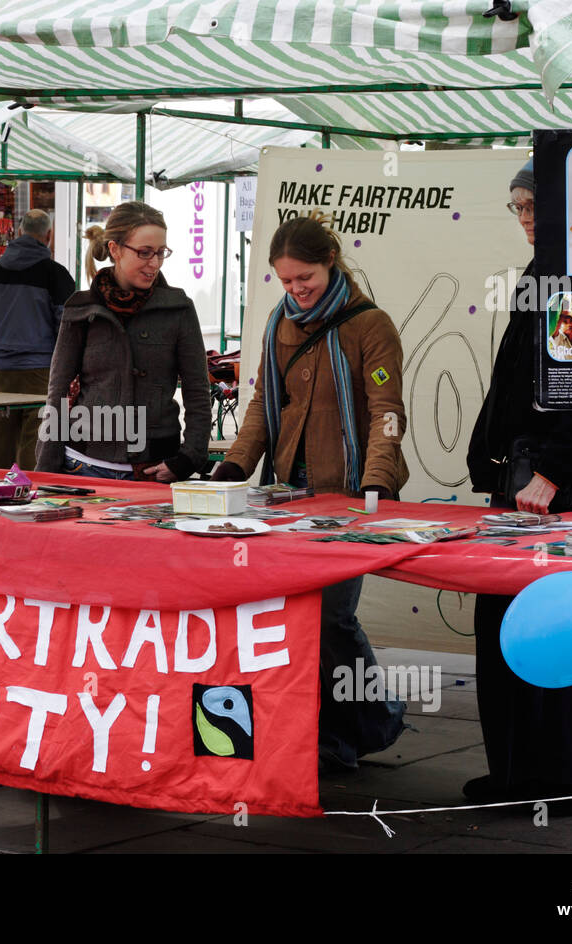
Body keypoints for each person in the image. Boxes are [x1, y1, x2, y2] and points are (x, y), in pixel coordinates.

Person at [210, 215, 409, 770]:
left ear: (331, 263)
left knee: (331, 620)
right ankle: (338, 728)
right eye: (287, 281)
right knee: (294, 620)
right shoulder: (280, 324)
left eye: (307, 278)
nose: (297, 290)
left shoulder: (371, 326)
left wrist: (375, 479)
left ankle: (356, 728)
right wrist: (233, 464)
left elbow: (385, 412)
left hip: (346, 494)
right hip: (284, 494)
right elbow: (262, 406)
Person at [464, 157, 572, 808]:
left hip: (559, 488)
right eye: (518, 209)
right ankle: (522, 773)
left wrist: (552, 470)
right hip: (527, 481)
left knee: (559, 630)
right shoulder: (549, 271)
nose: (526, 220)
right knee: (508, 628)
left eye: (534, 207)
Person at [35, 201, 209, 481]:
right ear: (115, 249)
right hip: (85, 465)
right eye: (144, 252)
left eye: (160, 253)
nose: (154, 263)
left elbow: (198, 391)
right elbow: (58, 392)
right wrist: (46, 474)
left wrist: (189, 457)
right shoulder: (82, 307)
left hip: (155, 469)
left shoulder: (179, 308)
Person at [0, 210, 75, 470]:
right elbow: (68, 326)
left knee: (0, 443)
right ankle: (31, 500)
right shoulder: (56, 274)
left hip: (3, 372)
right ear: (48, 236)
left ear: (18, 233)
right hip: (42, 373)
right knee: (36, 445)